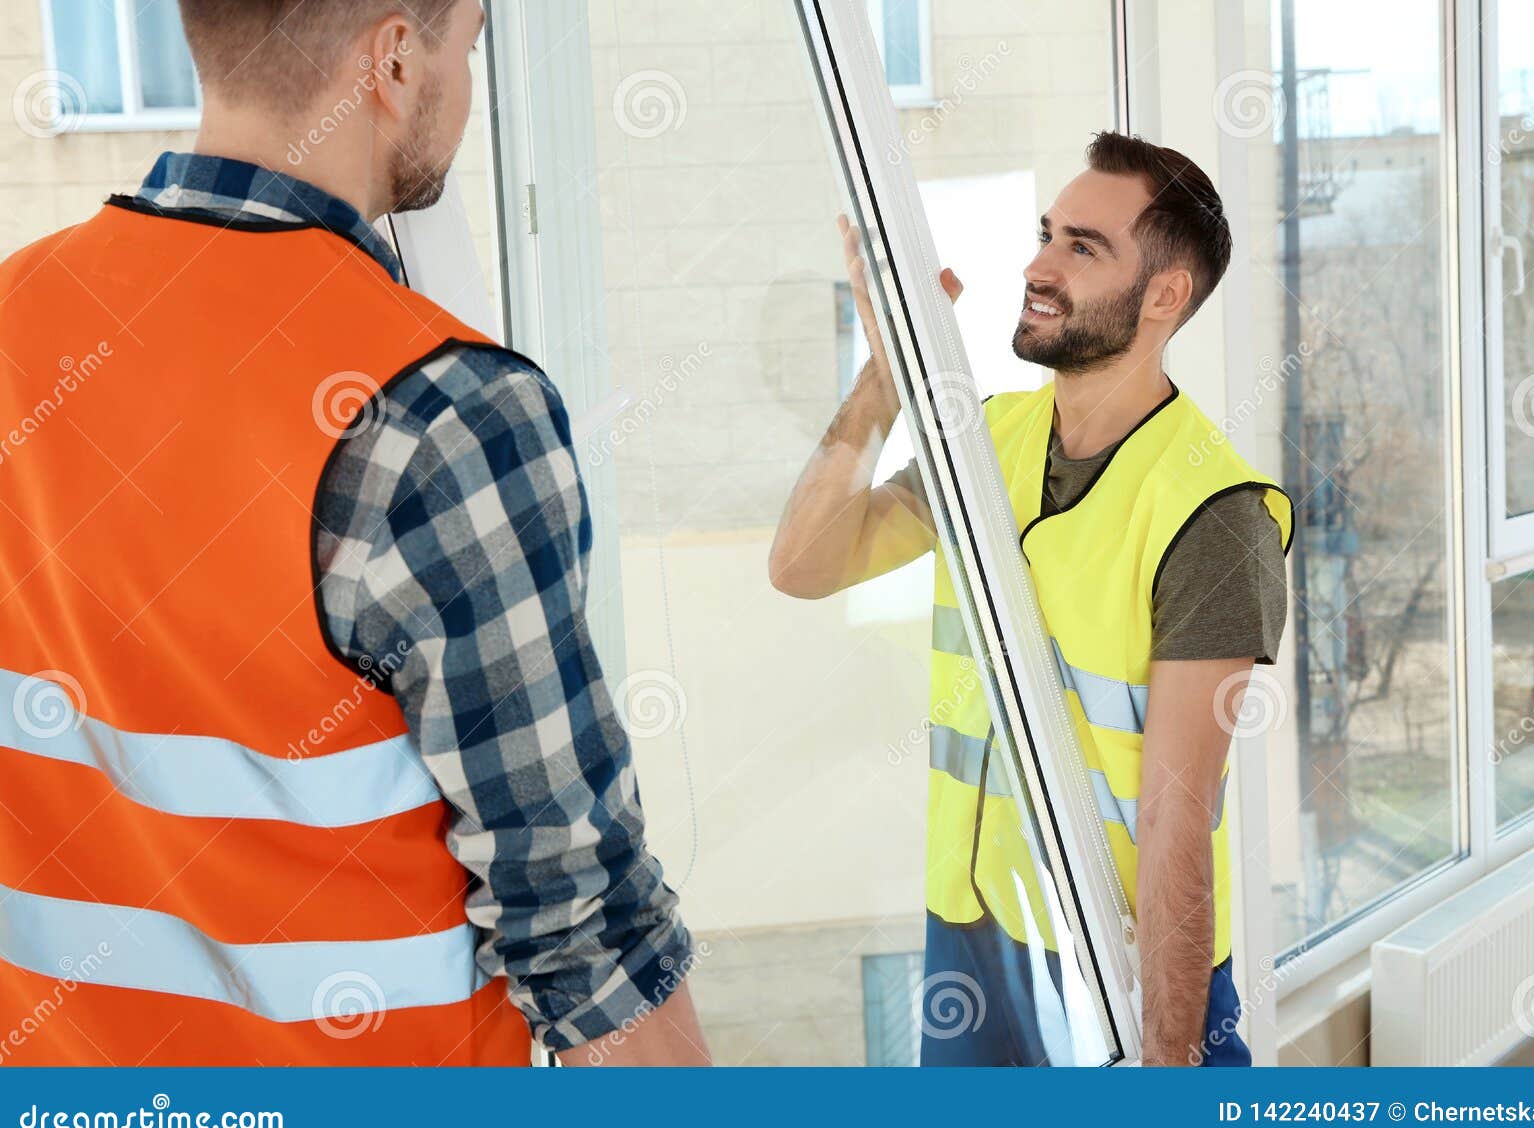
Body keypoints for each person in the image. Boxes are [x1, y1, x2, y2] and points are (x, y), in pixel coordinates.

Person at [0, 0, 706, 1066]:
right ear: (392, 55)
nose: (465, 85)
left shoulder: (19, 313)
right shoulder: (446, 412)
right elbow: (589, 938)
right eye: (466, 43)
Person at [769, 131, 1293, 1067]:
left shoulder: (1215, 512)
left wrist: (1167, 1063)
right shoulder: (988, 444)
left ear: (1165, 296)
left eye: (1081, 247)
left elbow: (1178, 818)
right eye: (1047, 233)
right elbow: (804, 562)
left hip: (1117, 962)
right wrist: (884, 380)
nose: (1037, 265)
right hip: (969, 930)